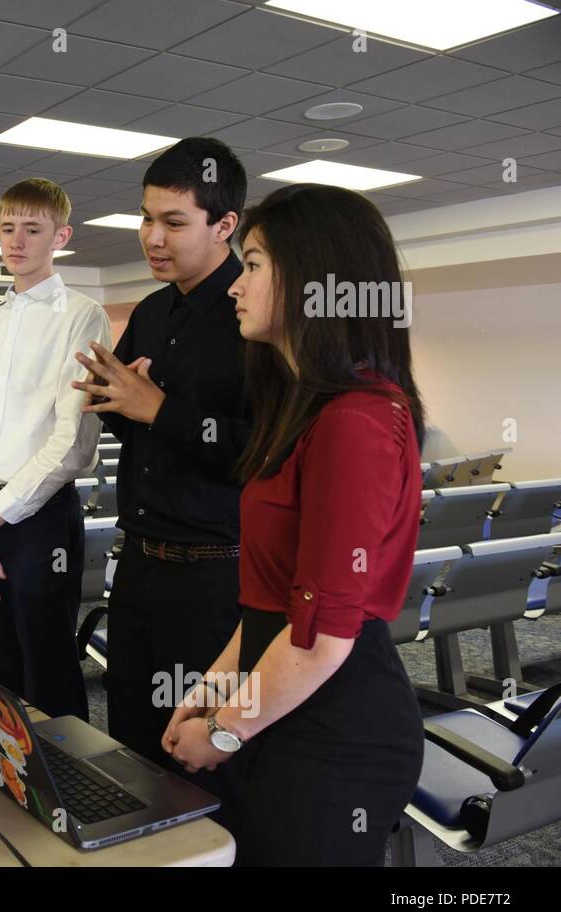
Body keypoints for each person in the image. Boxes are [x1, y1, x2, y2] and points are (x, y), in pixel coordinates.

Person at [159, 183, 426, 866]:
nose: (233, 287)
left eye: (251, 265)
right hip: (281, 698)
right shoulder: (307, 410)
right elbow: (268, 603)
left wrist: (222, 732)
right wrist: (210, 694)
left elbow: (321, 640)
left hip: (336, 723)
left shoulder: (356, 422)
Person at [74, 137, 250, 819]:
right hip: (140, 567)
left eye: (174, 222)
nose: (152, 237)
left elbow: (263, 450)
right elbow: (133, 419)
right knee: (135, 747)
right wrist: (114, 401)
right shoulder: (150, 312)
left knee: (204, 761)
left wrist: (161, 410)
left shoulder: (251, 314)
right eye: (145, 218)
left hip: (215, 579)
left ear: (224, 225)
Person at [0, 179, 110, 720]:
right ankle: (3, 791)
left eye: (32, 229)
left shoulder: (82, 316)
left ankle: (68, 799)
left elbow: (71, 445)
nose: (17, 241)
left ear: (60, 236)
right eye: (8, 229)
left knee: (49, 673)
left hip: (38, 523)